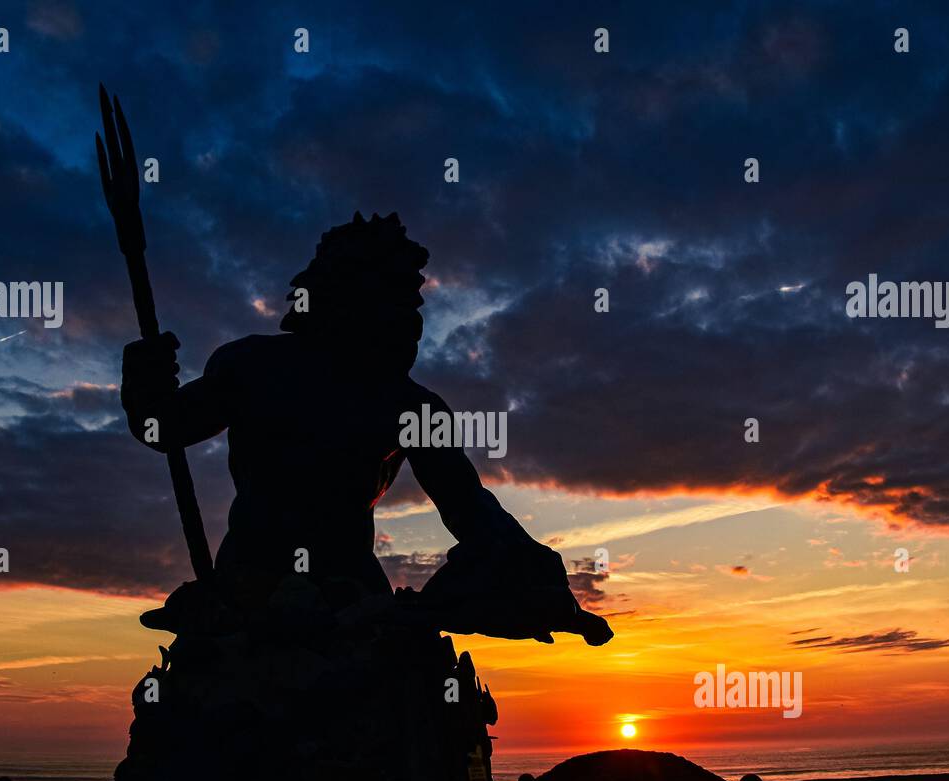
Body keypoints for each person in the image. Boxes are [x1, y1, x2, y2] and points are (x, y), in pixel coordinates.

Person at [120, 211, 611, 647]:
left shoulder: (410, 405)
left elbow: (471, 509)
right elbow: (163, 429)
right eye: (388, 296)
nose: (406, 313)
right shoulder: (251, 366)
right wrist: (145, 380)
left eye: (406, 299)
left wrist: (539, 586)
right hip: (245, 589)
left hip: (352, 600)